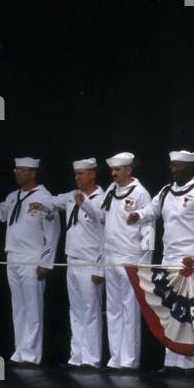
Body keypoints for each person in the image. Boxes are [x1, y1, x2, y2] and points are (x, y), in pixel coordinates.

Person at [84, 152, 155, 370]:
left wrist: (144, 263)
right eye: (112, 170)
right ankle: (115, 358)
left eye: (117, 170)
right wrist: (86, 205)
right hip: (111, 257)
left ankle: (129, 360)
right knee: (113, 309)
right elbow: (103, 219)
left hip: (130, 258)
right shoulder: (110, 192)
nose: (113, 174)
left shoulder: (141, 193)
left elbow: (148, 229)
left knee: (129, 310)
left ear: (128, 170)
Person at [147, 150, 194, 373]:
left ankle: (191, 361)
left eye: (178, 166)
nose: (173, 169)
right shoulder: (166, 191)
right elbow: (151, 210)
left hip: (190, 261)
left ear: (189, 168)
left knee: (189, 313)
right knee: (171, 311)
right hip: (169, 258)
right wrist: (138, 214)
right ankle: (172, 360)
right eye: (172, 165)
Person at [0, 157, 57, 365]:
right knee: (18, 307)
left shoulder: (45, 198)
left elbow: (52, 233)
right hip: (13, 256)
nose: (17, 173)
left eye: (22, 170)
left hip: (32, 257)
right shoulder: (12, 197)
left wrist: (46, 262)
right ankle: (20, 350)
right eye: (16, 169)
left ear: (33, 173)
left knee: (32, 306)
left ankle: (31, 354)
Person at [52, 158, 106, 368]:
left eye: (81, 174)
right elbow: (53, 201)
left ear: (92, 174)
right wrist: (40, 203)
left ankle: (91, 358)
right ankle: (77, 356)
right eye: (76, 174)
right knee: (75, 311)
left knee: (91, 310)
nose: (77, 178)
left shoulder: (101, 198)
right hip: (71, 259)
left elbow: (103, 229)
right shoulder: (71, 196)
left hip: (90, 260)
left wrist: (99, 267)